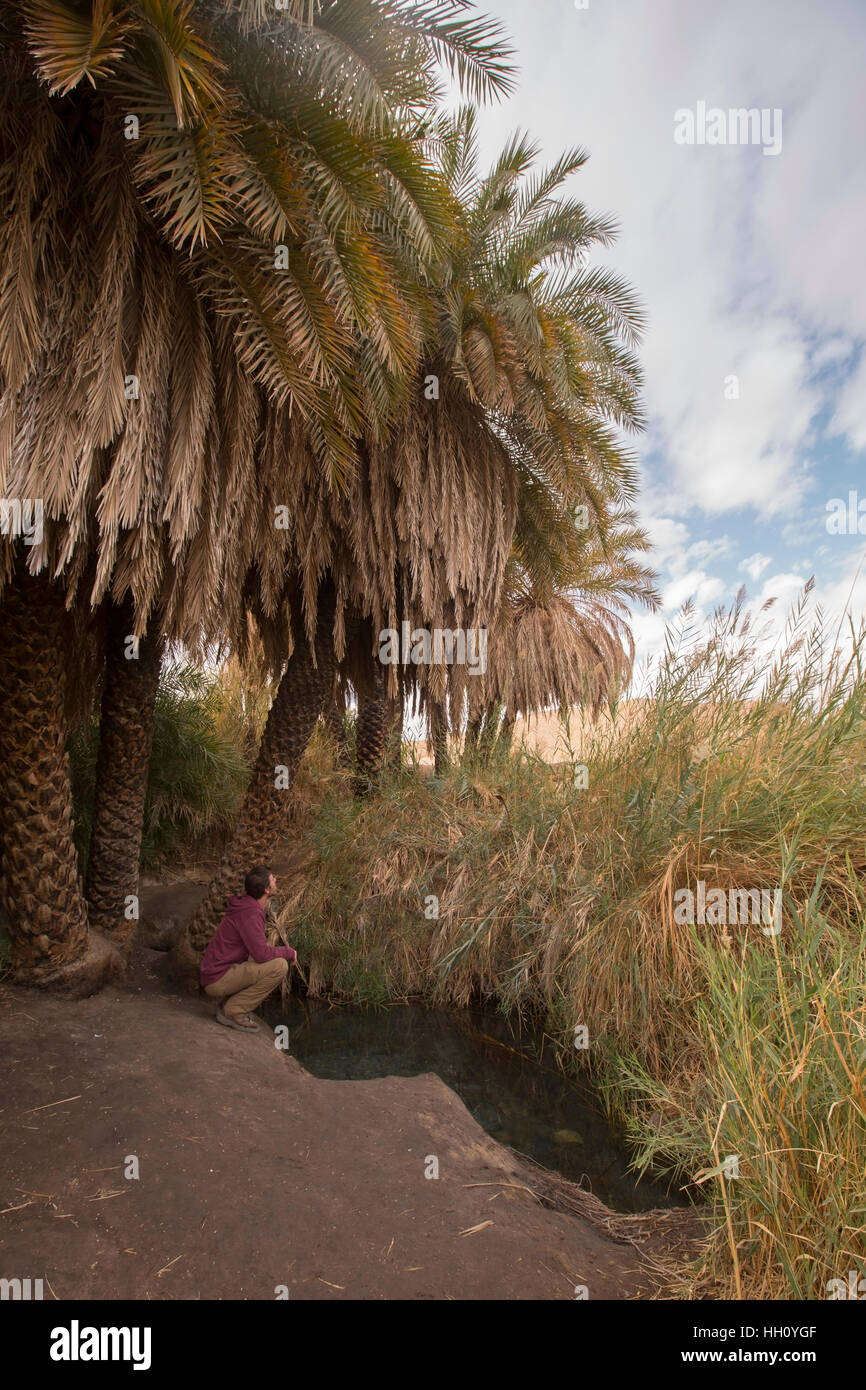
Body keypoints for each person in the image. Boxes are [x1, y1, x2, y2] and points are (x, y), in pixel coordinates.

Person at [199, 866, 297, 1031]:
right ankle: (233, 1012)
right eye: (273, 879)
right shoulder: (250, 912)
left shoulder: (247, 905)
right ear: (267, 889)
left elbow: (258, 950)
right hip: (217, 978)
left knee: (264, 957)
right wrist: (289, 951)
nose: (276, 881)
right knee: (280, 965)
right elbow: (261, 955)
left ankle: (229, 1005)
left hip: (215, 973)